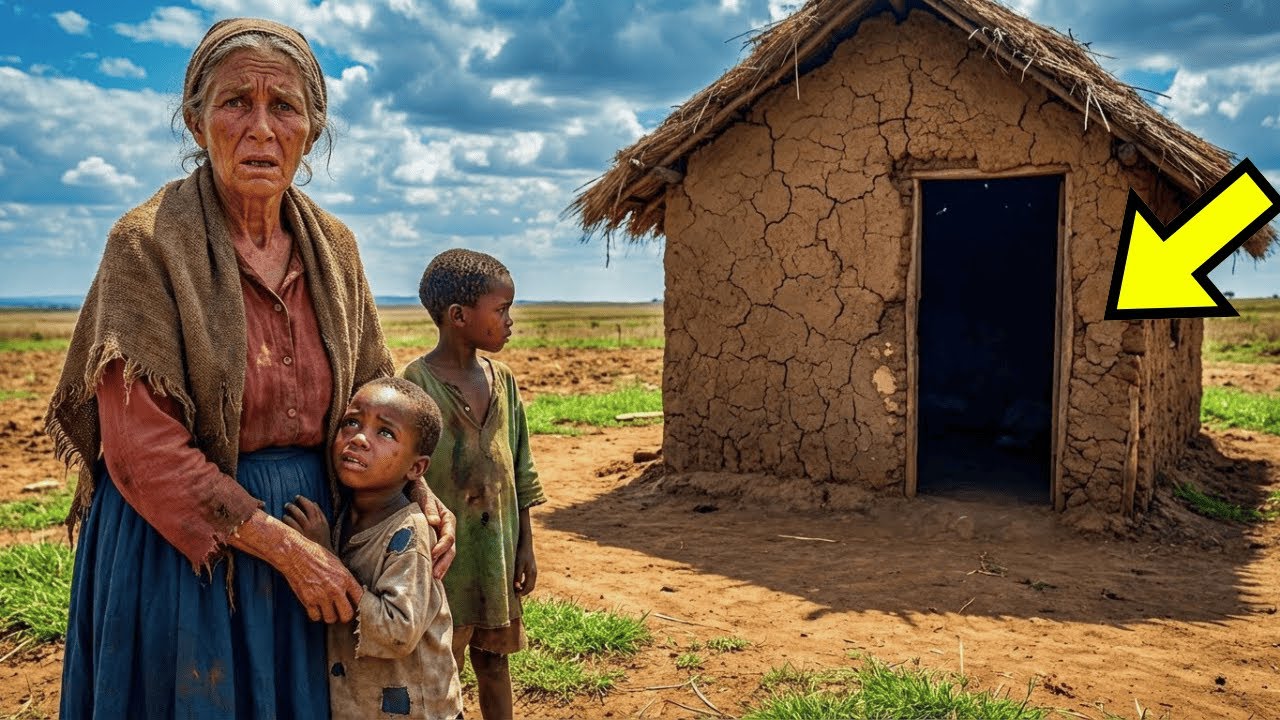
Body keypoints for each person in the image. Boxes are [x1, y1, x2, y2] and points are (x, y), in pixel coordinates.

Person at [45, 18, 456, 719]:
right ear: (196, 123)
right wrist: (289, 551)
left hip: (312, 537)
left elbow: (378, 391)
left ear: (312, 131)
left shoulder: (335, 247)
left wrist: (421, 495)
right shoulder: (146, 245)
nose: (261, 127)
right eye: (236, 102)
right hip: (185, 551)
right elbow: (141, 450)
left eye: (284, 106)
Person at [401, 248, 546, 719]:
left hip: (496, 556)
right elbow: (407, 475)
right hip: (446, 562)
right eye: (501, 310)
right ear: (458, 317)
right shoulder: (416, 384)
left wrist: (526, 543)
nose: (509, 321)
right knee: (445, 666)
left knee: (495, 661)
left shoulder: (502, 381)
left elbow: (519, 468)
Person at [284, 377, 464, 720]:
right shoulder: (343, 517)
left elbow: (398, 630)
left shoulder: (409, 535)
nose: (359, 439)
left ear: (417, 468)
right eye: (351, 422)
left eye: (385, 433)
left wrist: (325, 558)